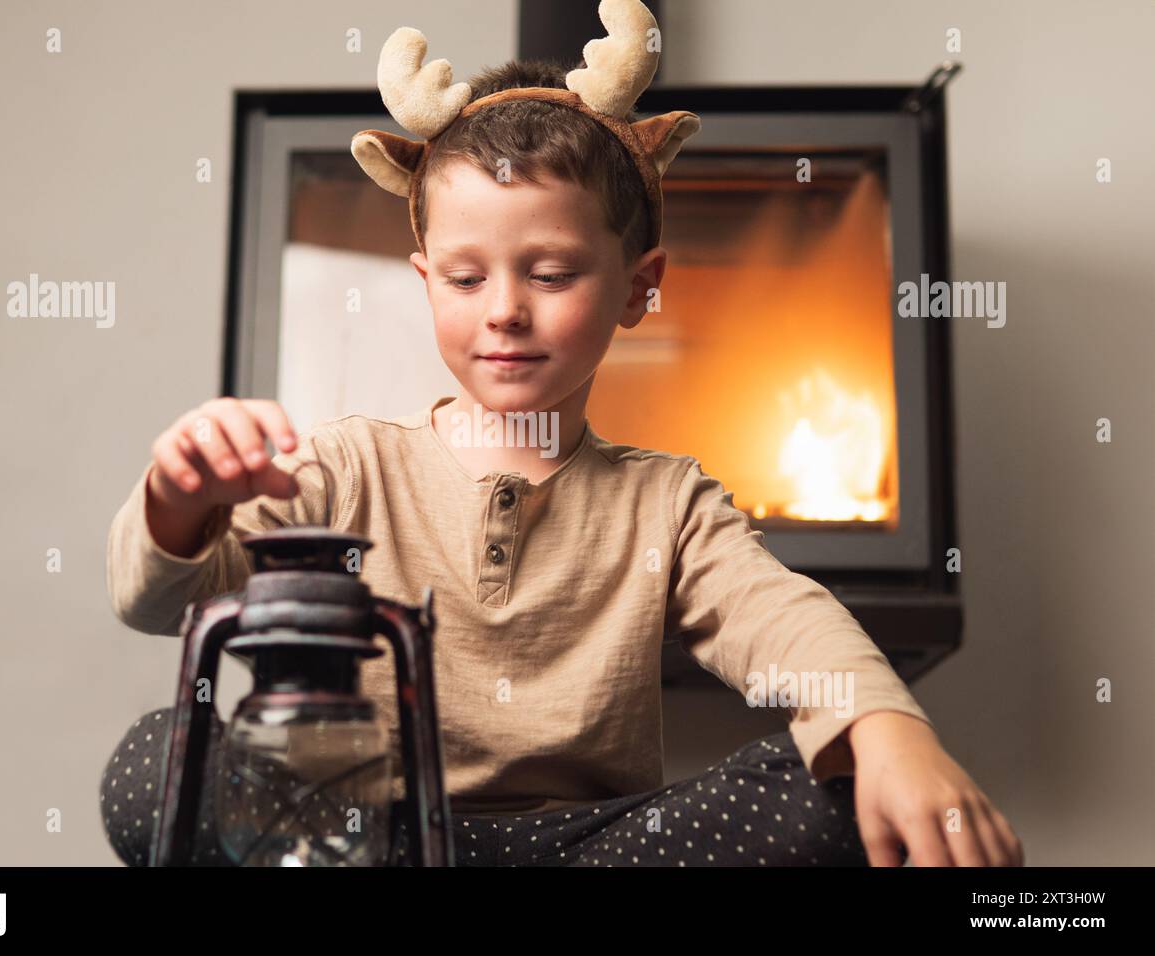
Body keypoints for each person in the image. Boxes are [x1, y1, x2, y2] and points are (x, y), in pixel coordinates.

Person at [101, 0, 1022, 867]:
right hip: (377, 833)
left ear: (637, 287)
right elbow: (160, 605)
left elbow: (782, 620)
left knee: (832, 791)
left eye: (549, 273)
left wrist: (887, 727)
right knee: (155, 761)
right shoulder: (345, 467)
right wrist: (179, 503)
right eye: (466, 279)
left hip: (593, 850)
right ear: (426, 282)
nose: (503, 312)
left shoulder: (669, 503)